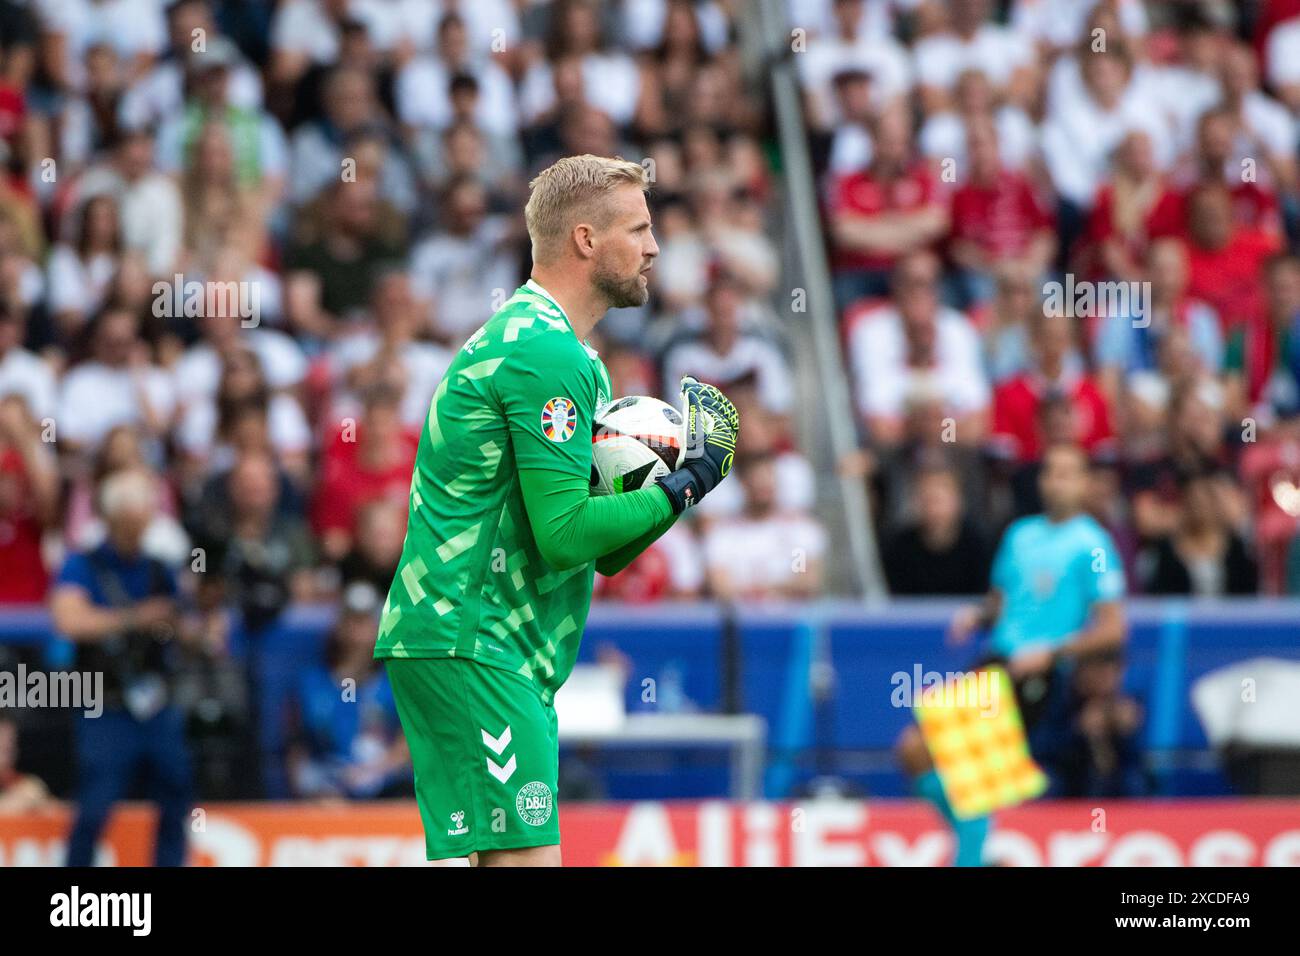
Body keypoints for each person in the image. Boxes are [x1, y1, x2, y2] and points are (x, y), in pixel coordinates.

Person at [375, 154, 740, 867]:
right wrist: (686, 483)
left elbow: (600, 549)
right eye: (637, 229)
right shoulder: (548, 355)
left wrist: (685, 487)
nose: (655, 246)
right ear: (584, 239)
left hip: (482, 643)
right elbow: (567, 536)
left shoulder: (555, 347)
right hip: (475, 638)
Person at [894, 443, 1127, 866]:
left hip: (1036, 674)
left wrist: (1052, 652)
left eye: (1067, 473)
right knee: (913, 750)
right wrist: (976, 616)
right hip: (995, 662)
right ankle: (981, 852)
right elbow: (1001, 605)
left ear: (1084, 483)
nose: (1056, 481)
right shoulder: (1020, 534)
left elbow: (1112, 629)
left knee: (968, 774)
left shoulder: (1092, 545)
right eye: (1050, 472)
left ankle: (973, 854)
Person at [49, 468, 194, 866]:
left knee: (176, 788)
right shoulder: (85, 565)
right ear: (113, 519)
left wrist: (195, 626)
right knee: (96, 803)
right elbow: (68, 619)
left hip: (155, 701)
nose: (141, 528)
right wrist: (135, 619)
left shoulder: (158, 568)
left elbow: (186, 627)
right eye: (135, 520)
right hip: (105, 701)